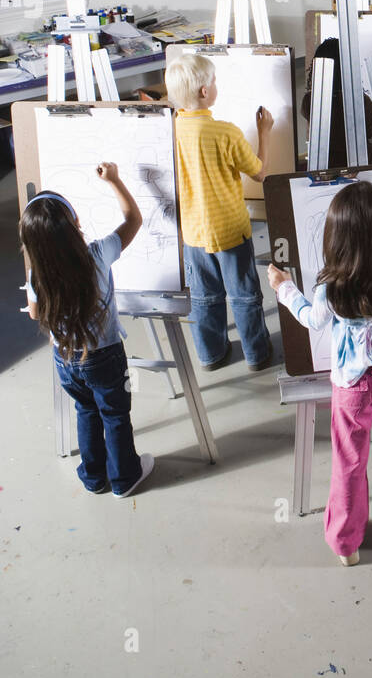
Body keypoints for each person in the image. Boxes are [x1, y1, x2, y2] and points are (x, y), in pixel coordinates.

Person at [268, 181, 372, 566]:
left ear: (336, 238)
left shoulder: (331, 288)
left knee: (350, 461)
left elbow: (312, 320)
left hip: (353, 384)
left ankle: (347, 544)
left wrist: (284, 287)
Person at [19, 169, 154, 498]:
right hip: (105, 356)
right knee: (115, 414)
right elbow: (133, 219)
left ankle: (93, 478)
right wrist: (114, 181)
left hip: (65, 361)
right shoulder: (98, 253)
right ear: (74, 225)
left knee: (86, 410)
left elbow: (35, 313)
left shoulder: (38, 274)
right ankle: (124, 479)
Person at [165, 53, 274, 372]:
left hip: (194, 234)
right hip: (230, 230)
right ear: (203, 91)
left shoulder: (169, 130)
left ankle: (210, 355)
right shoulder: (225, 132)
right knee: (244, 297)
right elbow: (259, 173)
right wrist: (264, 131)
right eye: (213, 82)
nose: (216, 86)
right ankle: (256, 354)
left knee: (203, 299)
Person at [300, 39, 372, 167]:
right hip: (359, 167)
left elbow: (311, 135)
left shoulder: (311, 100)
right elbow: (370, 132)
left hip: (324, 167)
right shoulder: (362, 100)